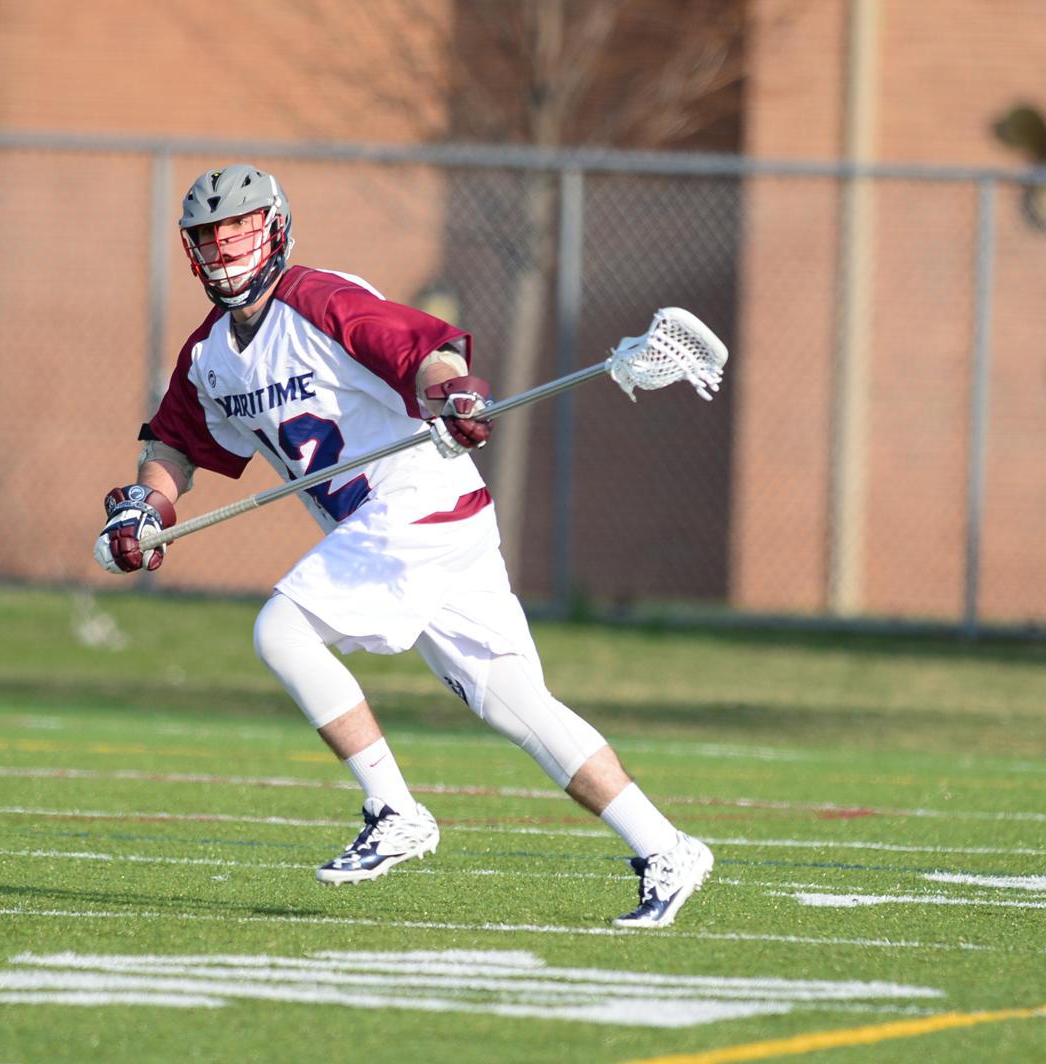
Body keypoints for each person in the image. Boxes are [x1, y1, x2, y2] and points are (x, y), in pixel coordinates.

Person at [94, 164, 712, 928]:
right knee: (518, 706)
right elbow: (174, 441)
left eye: (241, 230)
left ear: (275, 227)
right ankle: (667, 848)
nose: (227, 250)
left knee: (282, 630)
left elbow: (419, 349)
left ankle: (395, 810)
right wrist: (145, 508)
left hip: (414, 507)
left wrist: (449, 392)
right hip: (421, 528)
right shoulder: (210, 355)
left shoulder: (319, 300)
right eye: (210, 239)